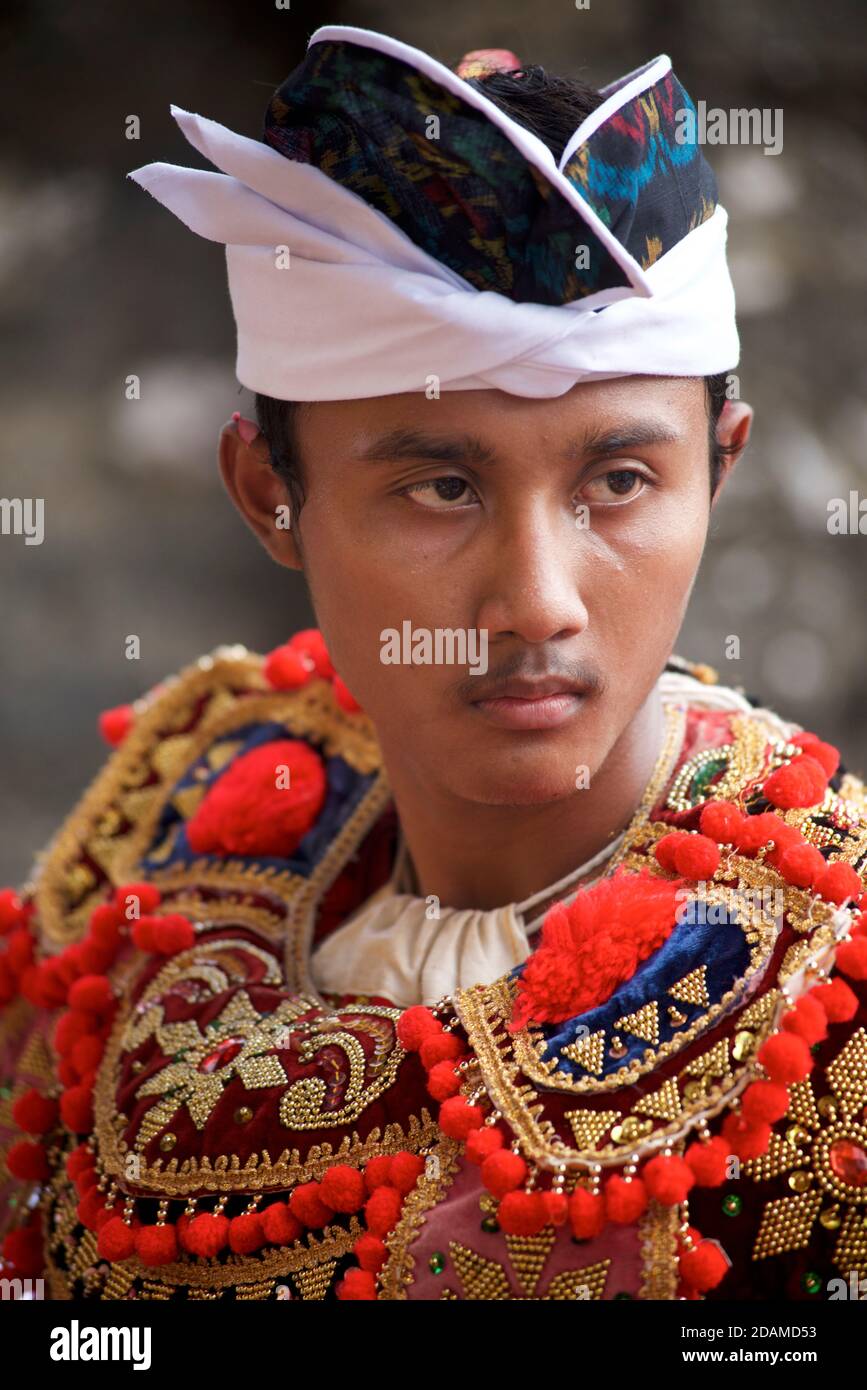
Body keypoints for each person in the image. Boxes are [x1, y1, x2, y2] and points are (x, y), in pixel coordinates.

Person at [1, 25, 865, 1304]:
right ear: (268, 494)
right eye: (440, 487)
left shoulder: (832, 998)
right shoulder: (168, 841)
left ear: (720, 467)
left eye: (620, 481)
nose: (536, 603)